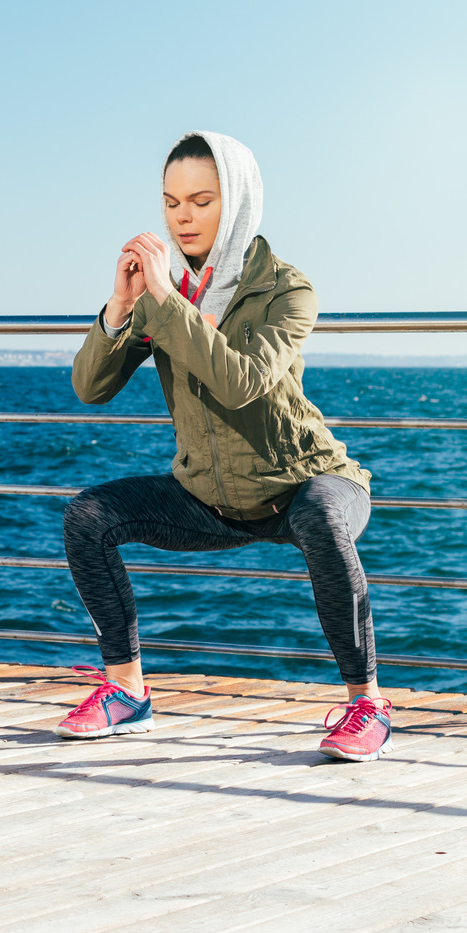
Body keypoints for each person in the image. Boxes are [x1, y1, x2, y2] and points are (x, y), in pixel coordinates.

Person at [56, 131, 391, 761]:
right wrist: (121, 307)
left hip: (305, 484)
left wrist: (164, 303)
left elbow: (239, 383)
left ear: (235, 202)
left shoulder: (287, 291)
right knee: (87, 516)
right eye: (171, 201)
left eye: (201, 200)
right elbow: (90, 387)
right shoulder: (162, 295)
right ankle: (126, 692)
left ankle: (367, 704)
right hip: (209, 498)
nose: (182, 216)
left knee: (321, 516)